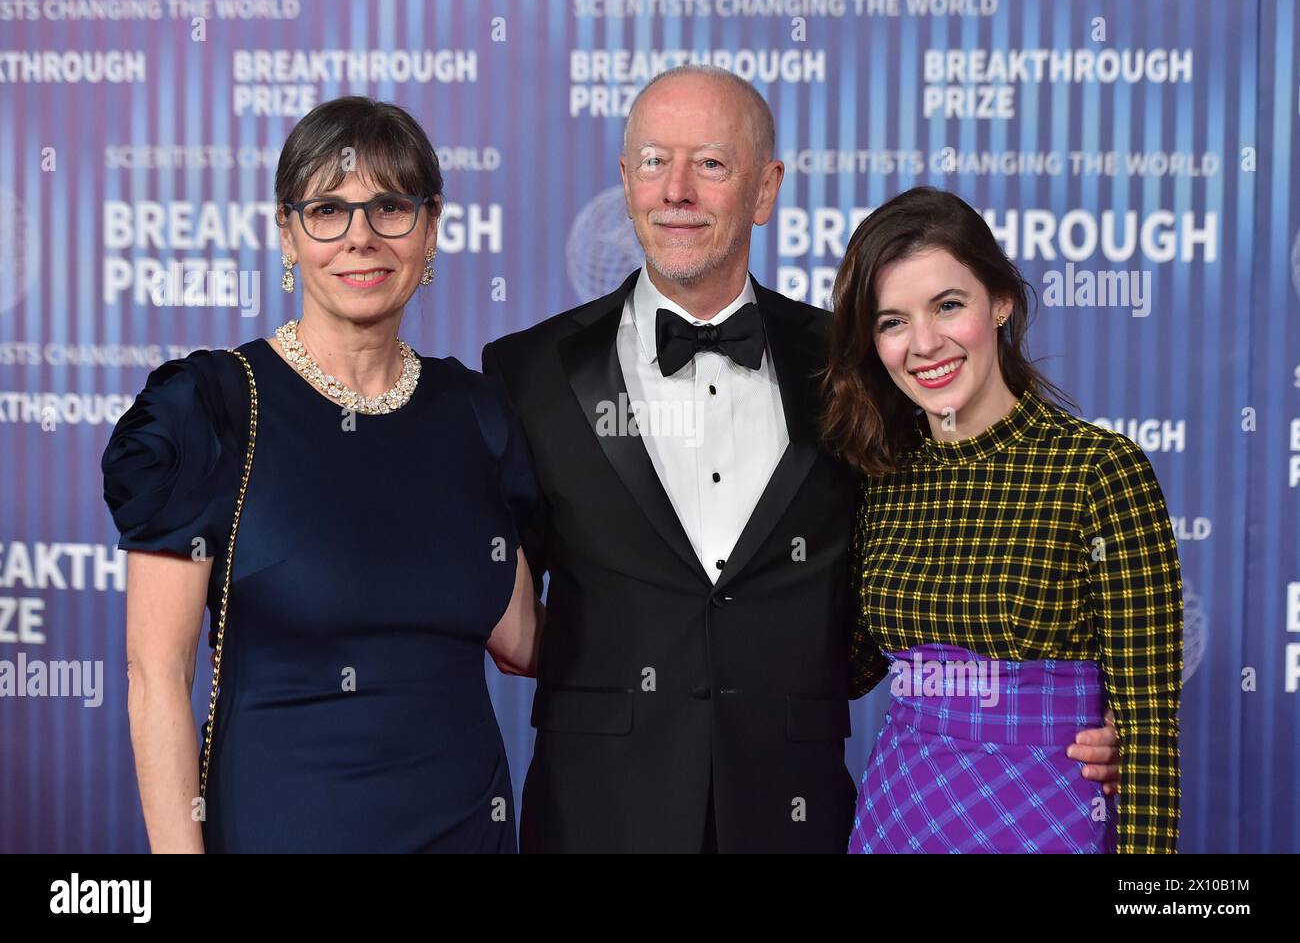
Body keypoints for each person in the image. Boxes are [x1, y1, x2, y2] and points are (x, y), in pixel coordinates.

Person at [482, 67, 1123, 853]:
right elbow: (499, 606)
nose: (676, 188)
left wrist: (1084, 708)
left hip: (798, 813)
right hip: (595, 810)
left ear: (765, 189)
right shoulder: (528, 369)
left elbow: (969, 518)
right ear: (626, 180)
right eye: (653, 161)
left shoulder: (856, 362)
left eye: (711, 164)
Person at [102, 96, 541, 853]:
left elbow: (522, 639)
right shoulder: (210, 407)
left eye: (391, 207)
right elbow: (157, 675)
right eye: (327, 210)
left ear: (431, 228)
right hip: (282, 827)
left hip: (468, 829)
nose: (361, 238)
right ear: (286, 233)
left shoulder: (479, 412)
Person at [821, 186, 1182, 853]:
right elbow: (840, 667)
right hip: (899, 816)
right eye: (892, 320)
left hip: (1048, 821)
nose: (924, 343)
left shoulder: (1098, 471)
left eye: (948, 305)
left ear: (1002, 302)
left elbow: (1149, 737)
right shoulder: (882, 477)